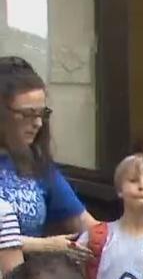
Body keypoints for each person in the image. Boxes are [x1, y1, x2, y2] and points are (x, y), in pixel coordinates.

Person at [0, 57, 97, 257]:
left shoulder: (39, 167)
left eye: (42, 114)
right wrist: (44, 246)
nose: (38, 123)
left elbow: (89, 226)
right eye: (27, 114)